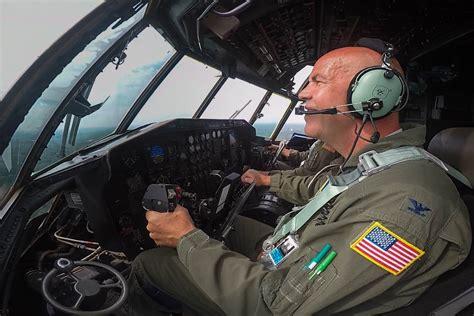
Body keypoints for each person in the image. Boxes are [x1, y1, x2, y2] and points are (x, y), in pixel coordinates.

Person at [126, 43, 471, 315]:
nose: (302, 93)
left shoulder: (401, 207)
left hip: (283, 298)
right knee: (223, 225)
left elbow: (275, 304)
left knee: (150, 263)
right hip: (300, 253)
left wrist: (187, 238)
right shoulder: (377, 165)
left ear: (370, 97)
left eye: (317, 81)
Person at [244, 140, 341, 205]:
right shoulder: (321, 142)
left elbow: (308, 173)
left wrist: (266, 178)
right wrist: (280, 149)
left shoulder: (332, 145)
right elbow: (306, 156)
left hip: (303, 180)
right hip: (301, 174)